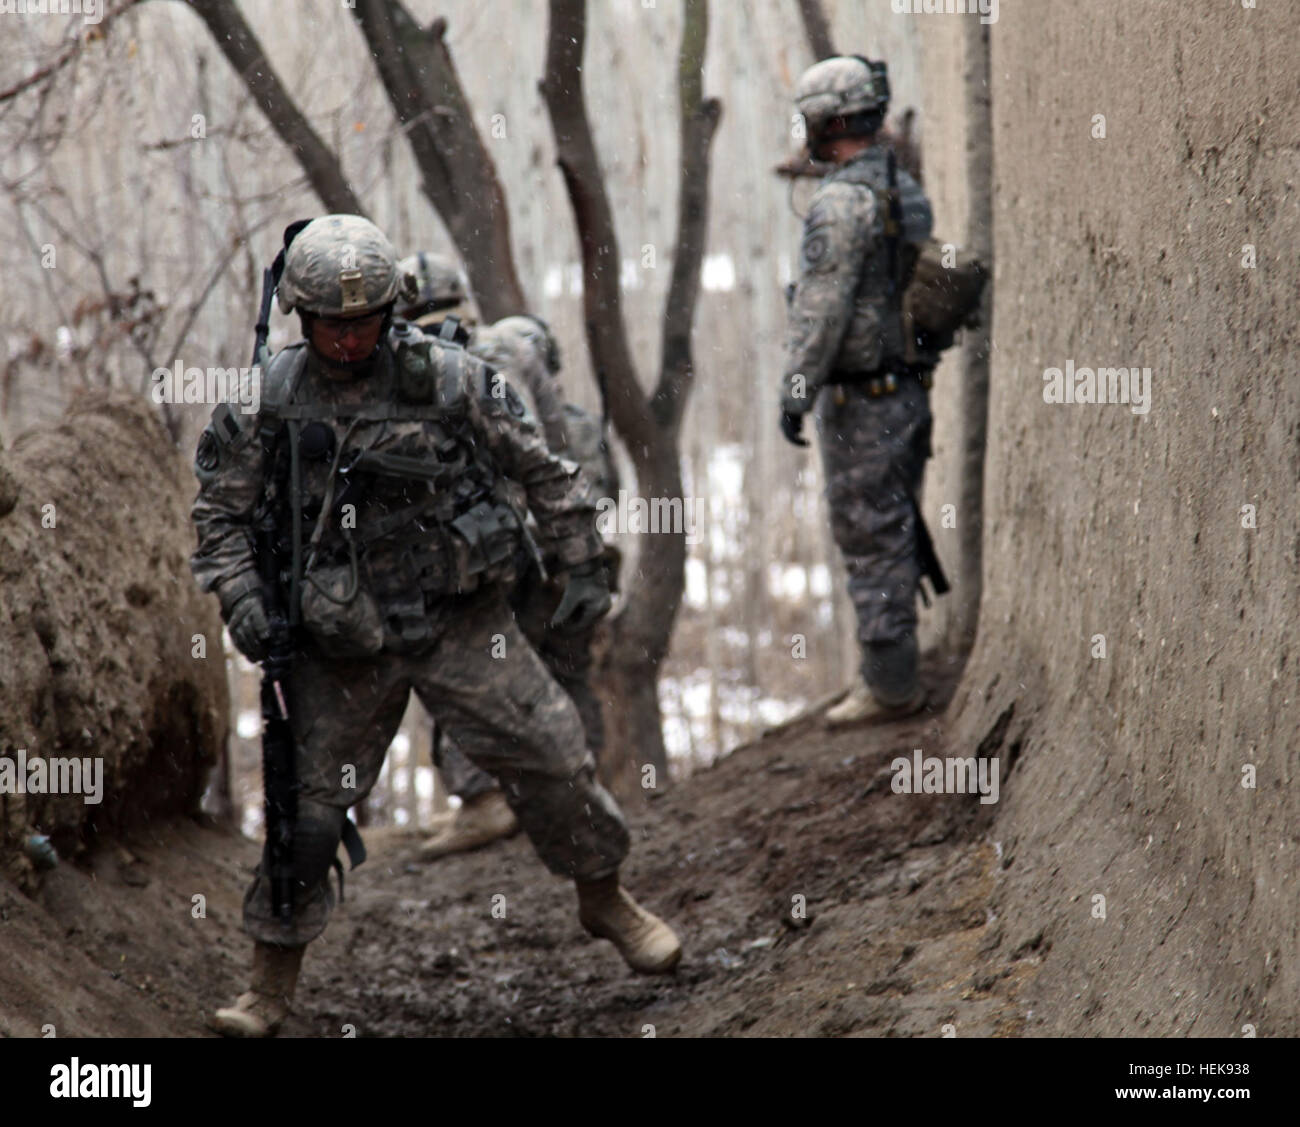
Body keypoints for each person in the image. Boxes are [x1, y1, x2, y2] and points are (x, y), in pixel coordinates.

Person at [191, 215, 680, 1037]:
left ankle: (606, 899)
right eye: (332, 322)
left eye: (365, 319)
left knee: (557, 762)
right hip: (340, 641)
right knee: (306, 813)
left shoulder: (453, 379)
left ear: (391, 310)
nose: (349, 337)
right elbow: (219, 518)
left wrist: (583, 564)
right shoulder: (266, 399)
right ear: (303, 319)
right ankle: (268, 985)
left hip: (463, 620)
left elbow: (545, 471)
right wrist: (245, 603)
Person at [396, 256, 620, 859]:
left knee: (461, 666)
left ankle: (484, 800)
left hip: (494, 549)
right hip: (555, 544)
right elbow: (574, 472)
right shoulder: (518, 356)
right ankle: (578, 794)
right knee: (558, 677)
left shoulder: (440, 364)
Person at [778, 56, 939, 727]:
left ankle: (891, 686)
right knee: (891, 524)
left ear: (832, 121)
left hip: (860, 400)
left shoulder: (841, 203)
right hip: (902, 389)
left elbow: (819, 314)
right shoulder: (900, 188)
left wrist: (793, 391)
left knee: (869, 531)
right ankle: (888, 670)